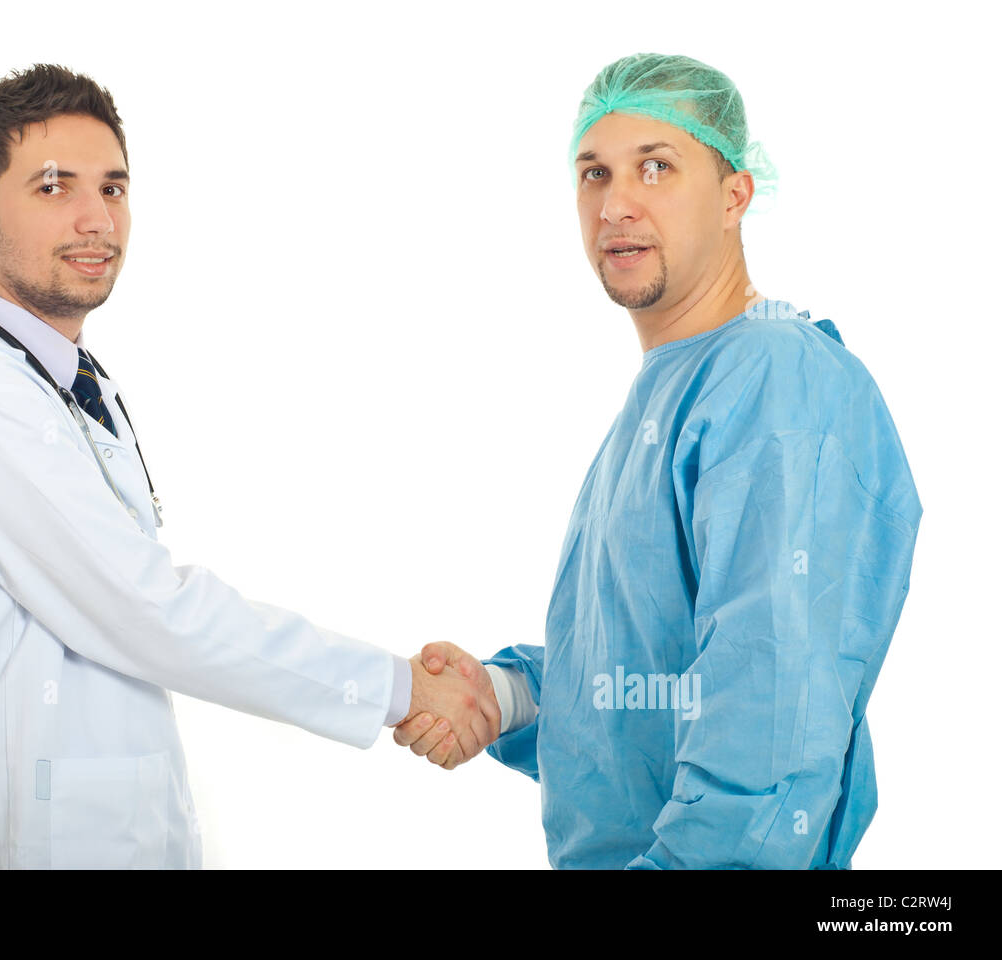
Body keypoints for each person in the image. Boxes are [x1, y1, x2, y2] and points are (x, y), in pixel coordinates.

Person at [0, 63, 498, 869]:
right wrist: (400, 690)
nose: (98, 219)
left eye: (114, 187)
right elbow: (149, 610)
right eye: (54, 188)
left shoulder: (63, 380)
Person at [394, 52, 923, 870]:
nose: (616, 205)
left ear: (735, 195)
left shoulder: (776, 381)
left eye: (657, 166)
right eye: (594, 173)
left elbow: (767, 716)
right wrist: (502, 696)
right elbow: (644, 684)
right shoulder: (665, 401)